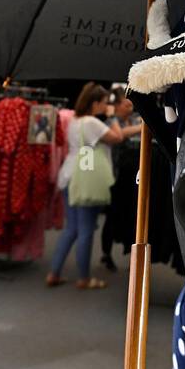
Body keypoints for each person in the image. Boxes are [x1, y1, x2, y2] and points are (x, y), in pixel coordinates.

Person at [47, 82, 140, 289]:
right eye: (105, 103)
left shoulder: (75, 120)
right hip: (85, 176)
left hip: (70, 173)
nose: (106, 106)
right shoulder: (92, 122)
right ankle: (84, 277)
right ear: (95, 102)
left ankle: (54, 272)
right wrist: (112, 117)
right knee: (86, 228)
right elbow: (117, 137)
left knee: (71, 228)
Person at [100, 87, 141, 272]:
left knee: (132, 215)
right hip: (115, 175)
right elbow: (120, 135)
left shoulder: (133, 119)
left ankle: (133, 255)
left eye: (132, 105)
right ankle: (106, 254)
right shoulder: (110, 121)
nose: (130, 108)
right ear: (117, 105)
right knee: (111, 217)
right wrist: (143, 127)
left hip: (132, 177)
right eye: (126, 104)